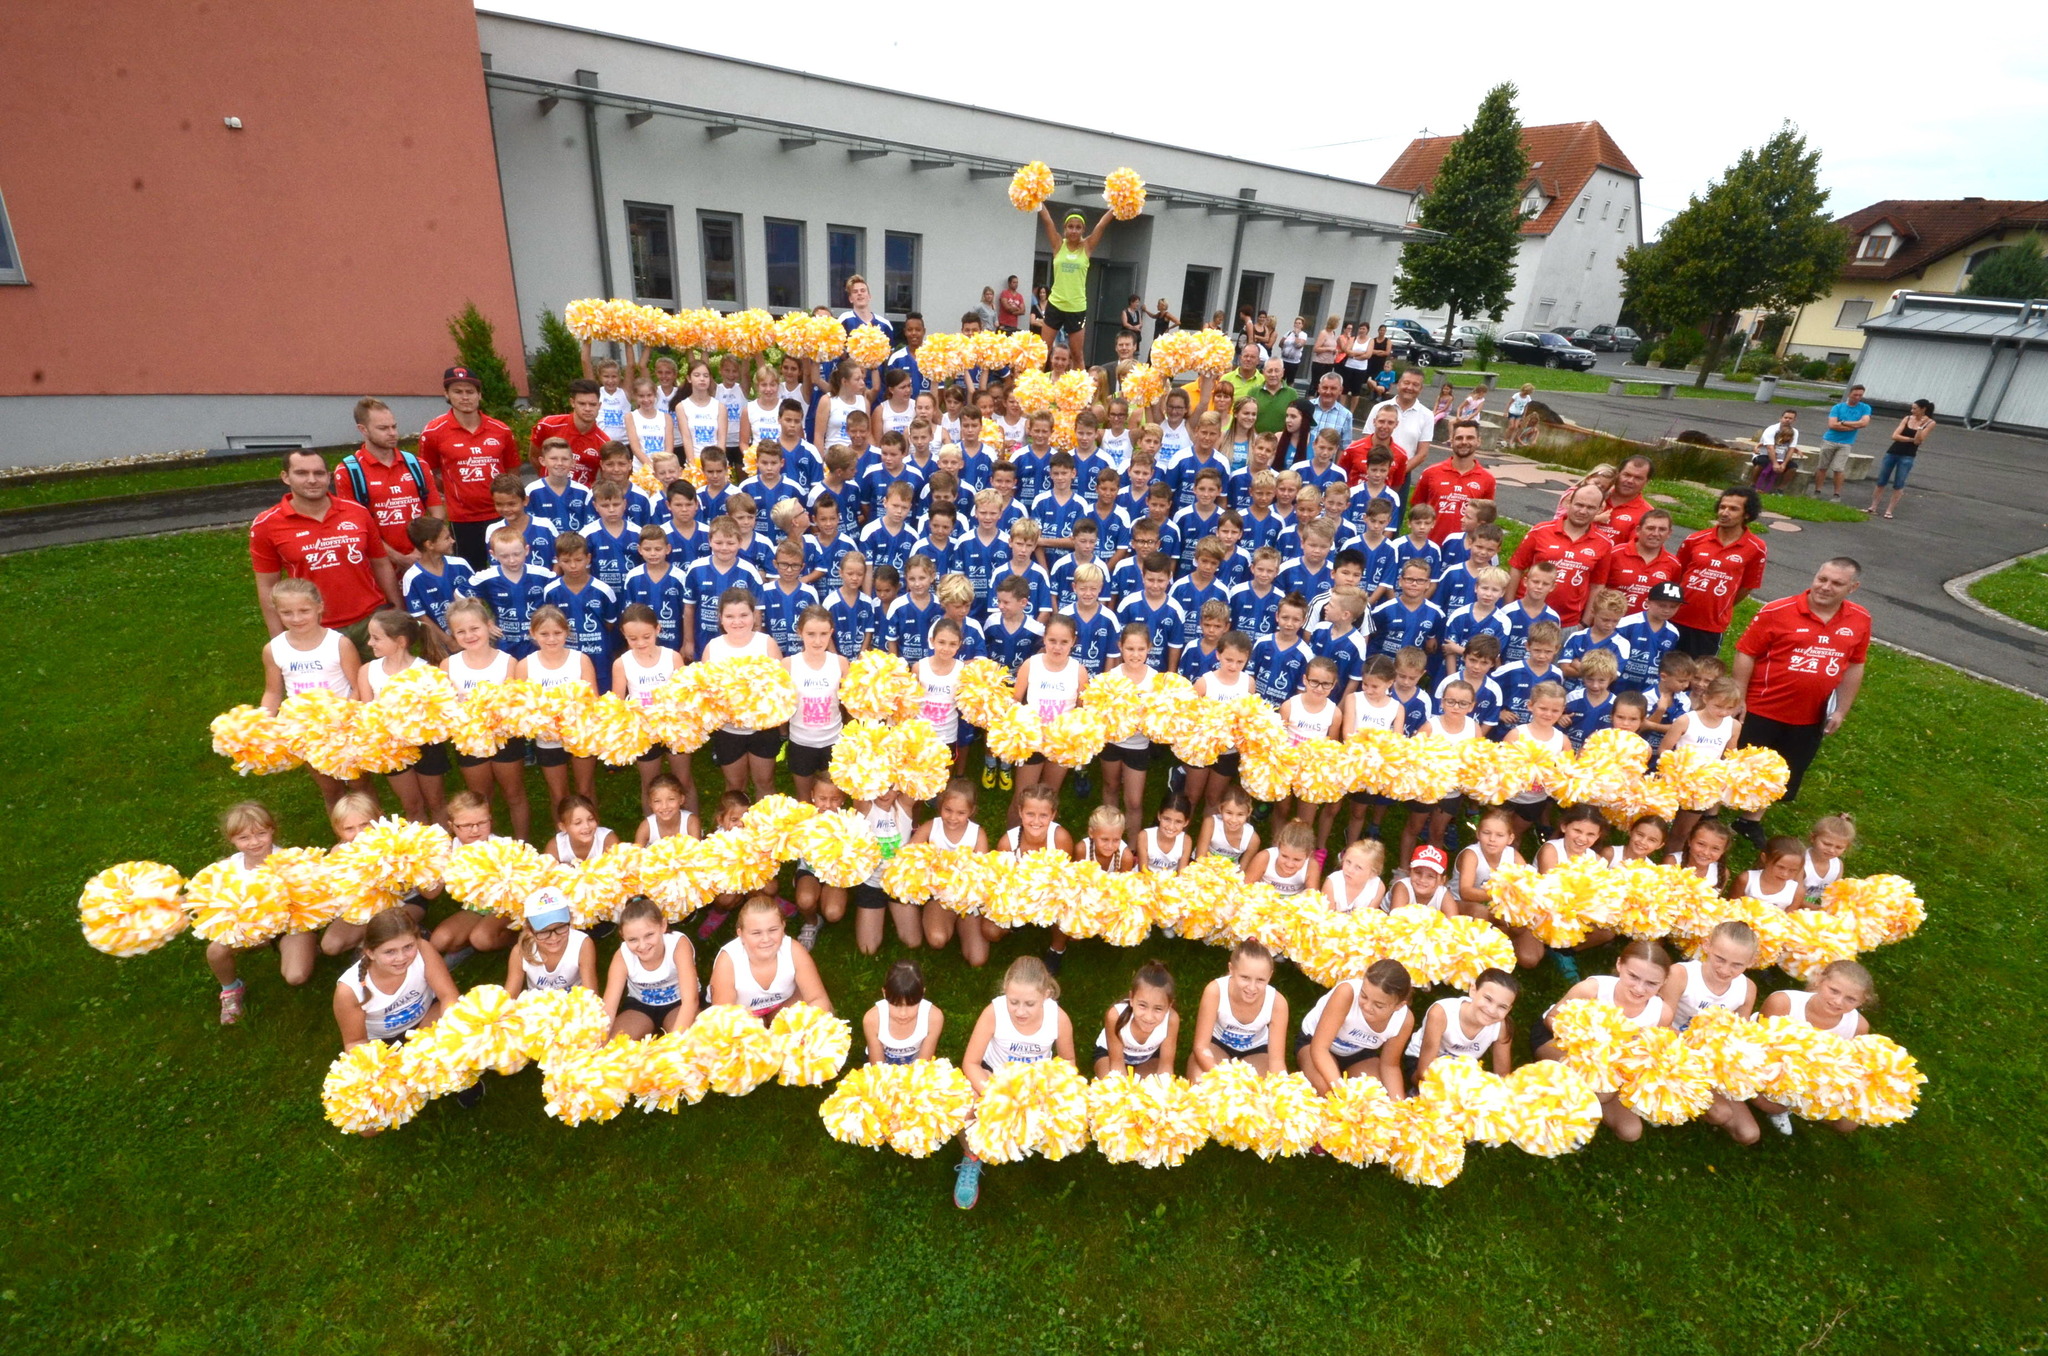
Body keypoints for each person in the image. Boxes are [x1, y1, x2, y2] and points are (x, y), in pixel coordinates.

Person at [1723, 555, 1871, 853]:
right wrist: (1739, 695)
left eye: (1836, 583)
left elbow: (1855, 665)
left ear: (1852, 587)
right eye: (1822, 579)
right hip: (1763, 708)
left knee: (1782, 773)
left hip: (1809, 717)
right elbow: (1746, 652)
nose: (1825, 587)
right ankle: (1710, 814)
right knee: (1736, 766)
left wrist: (1841, 709)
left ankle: (1750, 820)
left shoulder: (1860, 620)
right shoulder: (1778, 611)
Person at [956, 955, 1074, 1207]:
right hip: (994, 1076)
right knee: (964, 1106)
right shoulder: (994, 1012)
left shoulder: (1059, 1018)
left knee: (1066, 1112)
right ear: (1004, 993)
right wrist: (994, 1096)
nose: (1020, 1011)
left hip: (1036, 1083)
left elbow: (1068, 1062)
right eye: (1014, 1002)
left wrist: (1053, 1093)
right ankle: (971, 1156)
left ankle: (1033, 1142)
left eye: (1030, 1003)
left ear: (1047, 994)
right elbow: (971, 1063)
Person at [251, 448, 400, 648]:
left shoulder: (357, 512)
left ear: (329, 477)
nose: (312, 480)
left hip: (371, 620)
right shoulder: (266, 524)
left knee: (384, 678)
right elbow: (268, 586)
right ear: (285, 477)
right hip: (315, 626)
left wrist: (397, 609)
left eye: (319, 473)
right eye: (302, 473)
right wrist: (279, 641)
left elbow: (381, 564)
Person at [1531, 941, 1673, 1144]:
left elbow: (1652, 1052)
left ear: (1664, 981)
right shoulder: (1592, 989)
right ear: (1619, 965)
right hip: (1559, 1041)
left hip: (1613, 1068)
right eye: (1633, 976)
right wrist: (1586, 1045)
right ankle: (1555, 1117)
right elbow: (1551, 1019)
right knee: (1601, 1090)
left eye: (1652, 983)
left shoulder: (1662, 1013)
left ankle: (1580, 1098)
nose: (1639, 988)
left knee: (1631, 1131)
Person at [201, 802, 314, 1025]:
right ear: (231, 839)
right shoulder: (228, 867)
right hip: (248, 929)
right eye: (243, 838)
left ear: (272, 829)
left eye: (261, 834)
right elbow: (201, 894)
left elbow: (311, 899)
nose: (254, 843)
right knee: (215, 951)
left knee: (296, 976)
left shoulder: (290, 861)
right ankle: (231, 990)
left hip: (290, 927)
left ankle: (309, 947)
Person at [1751, 960, 1876, 1135]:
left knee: (1848, 1124)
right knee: (1771, 1106)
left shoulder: (1859, 1026)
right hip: (1770, 1066)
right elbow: (1756, 1045)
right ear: (1819, 980)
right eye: (1833, 991)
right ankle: (1781, 1106)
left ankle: (1798, 1105)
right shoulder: (1783, 1002)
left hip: (1813, 1076)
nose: (1838, 1001)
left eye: (1851, 999)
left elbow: (1845, 1066)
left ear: (1862, 1001)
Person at [443, 595, 531, 840]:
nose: (469, 636)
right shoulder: (448, 664)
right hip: (470, 742)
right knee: (479, 798)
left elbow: (517, 705)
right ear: (452, 634)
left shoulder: (508, 662)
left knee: (514, 794)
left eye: (475, 628)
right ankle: (481, 847)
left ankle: (522, 845)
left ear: (488, 626)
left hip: (505, 738)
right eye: (461, 632)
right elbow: (445, 706)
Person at [418, 366, 521, 568]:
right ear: (446, 394)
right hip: (463, 518)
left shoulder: (501, 430)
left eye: (470, 392)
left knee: (507, 566)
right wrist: (452, 490)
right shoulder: (433, 432)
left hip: (500, 513)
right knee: (469, 571)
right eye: (458, 391)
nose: (465, 397)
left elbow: (513, 470)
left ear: (479, 395)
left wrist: (506, 501)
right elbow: (427, 473)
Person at [331, 907, 461, 1054]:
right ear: (370, 953)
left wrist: (453, 1025)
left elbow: (448, 995)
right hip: (386, 1043)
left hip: (428, 1016)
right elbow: (355, 1042)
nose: (401, 958)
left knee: (456, 1032)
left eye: (408, 947)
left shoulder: (424, 950)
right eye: (390, 951)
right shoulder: (349, 990)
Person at [331, 398, 440, 573]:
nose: (392, 433)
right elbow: (355, 527)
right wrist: (398, 558)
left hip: (424, 558)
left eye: (394, 426)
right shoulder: (348, 471)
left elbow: (437, 511)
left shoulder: (416, 464)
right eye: (383, 428)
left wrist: (421, 550)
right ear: (363, 430)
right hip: (379, 566)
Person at [1670, 487, 1768, 657]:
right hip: (1675, 618)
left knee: (1699, 678)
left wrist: (1721, 605)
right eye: (1722, 507)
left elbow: (1747, 587)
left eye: (1733, 509)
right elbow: (1677, 575)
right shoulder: (1695, 539)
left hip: (1710, 627)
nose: (1725, 512)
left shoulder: (1756, 548)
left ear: (1747, 514)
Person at [1298, 958, 1415, 1096]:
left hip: (1360, 1053)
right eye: (1364, 996)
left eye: (1378, 1005)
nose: (1366, 1006)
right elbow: (1319, 1048)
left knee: (1374, 1097)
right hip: (1315, 1043)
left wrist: (1398, 1106)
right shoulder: (1346, 993)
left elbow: (1389, 1065)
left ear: (1399, 1006)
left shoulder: (1404, 1021)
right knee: (1326, 1091)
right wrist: (1340, 1090)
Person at [1509, 484, 1614, 628]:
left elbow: (1597, 586)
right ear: (1568, 503)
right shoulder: (1540, 531)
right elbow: (1516, 568)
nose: (1583, 511)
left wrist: (1584, 623)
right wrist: (1508, 608)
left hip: (1568, 623)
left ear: (1599, 510)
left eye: (1590, 507)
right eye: (1579, 505)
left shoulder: (1604, 543)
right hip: (1526, 616)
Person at [1187, 941, 1289, 1080]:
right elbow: (1201, 1047)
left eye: (1260, 980)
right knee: (1201, 1083)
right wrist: (1222, 1080)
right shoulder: (1215, 991)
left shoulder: (1277, 1003)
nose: (1252, 988)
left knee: (1259, 1093)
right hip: (1217, 1045)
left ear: (1270, 976)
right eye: (1245, 978)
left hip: (1257, 1052)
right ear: (1231, 969)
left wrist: (1283, 1086)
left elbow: (1276, 1061)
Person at [602, 896, 699, 1038]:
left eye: (649, 935)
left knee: (689, 1042)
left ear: (663, 926)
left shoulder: (678, 945)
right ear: (622, 936)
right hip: (640, 1006)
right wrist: (600, 1047)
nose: (642, 946)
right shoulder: (622, 956)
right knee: (614, 1045)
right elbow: (608, 1008)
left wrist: (674, 1045)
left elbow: (690, 1001)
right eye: (633, 939)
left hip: (678, 1003)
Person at [1404, 968, 1518, 1085]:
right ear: (1473, 990)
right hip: (1421, 1063)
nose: (1492, 1010)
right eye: (1488, 999)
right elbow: (1424, 1072)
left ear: (1509, 1009)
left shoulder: (1501, 1027)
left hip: (1463, 1072)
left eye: (1502, 1007)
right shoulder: (1441, 1014)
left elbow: (1502, 1076)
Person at [1413, 419, 1497, 548]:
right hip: (1430, 547)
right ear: (1451, 441)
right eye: (1459, 438)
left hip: (1465, 551)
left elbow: (1486, 520)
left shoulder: (1488, 480)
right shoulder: (1431, 473)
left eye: (1470, 438)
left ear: (1478, 441)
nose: (1464, 442)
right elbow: (1417, 509)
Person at [1092, 961, 1180, 1077]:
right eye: (1143, 1005)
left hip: (1148, 1058)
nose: (1149, 1017)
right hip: (1110, 1055)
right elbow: (1116, 1064)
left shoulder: (1172, 1020)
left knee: (1149, 1091)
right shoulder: (1115, 1015)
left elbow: (1166, 1067)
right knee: (1112, 1089)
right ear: (1131, 998)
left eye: (1158, 1008)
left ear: (1169, 1006)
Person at [529, 378, 611, 485]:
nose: (587, 409)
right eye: (582, 403)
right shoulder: (548, 425)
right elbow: (534, 456)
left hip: (581, 498)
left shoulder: (604, 442)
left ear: (599, 406)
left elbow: (605, 477)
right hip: (549, 493)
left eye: (592, 404)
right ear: (572, 403)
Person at [867, 961, 944, 1065]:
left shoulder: (934, 1018)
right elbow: (877, 1068)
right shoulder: (872, 1020)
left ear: (922, 993)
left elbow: (923, 1066)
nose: (903, 1013)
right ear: (884, 993)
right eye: (896, 1005)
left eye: (911, 1005)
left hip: (916, 1066)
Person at [1366, 369, 1435, 486]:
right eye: (1406, 383)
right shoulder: (1379, 408)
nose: (1410, 387)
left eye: (1415, 385)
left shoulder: (1427, 415)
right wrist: (1379, 470)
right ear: (1398, 384)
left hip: (1402, 474)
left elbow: (1422, 453)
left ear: (1421, 389)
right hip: (1374, 472)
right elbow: (1367, 440)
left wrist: (1397, 472)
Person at [1868, 398, 1935, 519]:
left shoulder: (1930, 423)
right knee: (1881, 480)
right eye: (1912, 408)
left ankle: (1889, 510)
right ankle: (1873, 506)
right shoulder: (1907, 418)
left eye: (1915, 408)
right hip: (1893, 452)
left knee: (1899, 483)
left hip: (1908, 455)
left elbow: (1919, 441)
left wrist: (1920, 428)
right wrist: (1910, 439)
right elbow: (1895, 436)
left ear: (1923, 409)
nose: (1912, 410)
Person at [1814, 383, 1873, 501]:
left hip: (1846, 443)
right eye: (1855, 395)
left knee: (1838, 468)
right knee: (1822, 466)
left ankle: (1836, 494)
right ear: (1849, 394)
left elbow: (1864, 423)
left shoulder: (1865, 408)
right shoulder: (1838, 407)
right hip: (1830, 440)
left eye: (1860, 395)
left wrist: (1843, 422)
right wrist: (1853, 425)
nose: (1857, 397)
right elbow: (1832, 425)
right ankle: (1817, 490)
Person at [1276, 316, 1312, 387]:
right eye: (1296, 323)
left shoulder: (1303, 335)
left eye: (1299, 323)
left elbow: (1298, 345)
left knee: (1290, 381)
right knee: (1280, 379)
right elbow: (1280, 344)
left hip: (1293, 362)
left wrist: (1296, 335)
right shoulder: (1288, 333)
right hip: (1284, 360)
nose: (1297, 325)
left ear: (1302, 325)